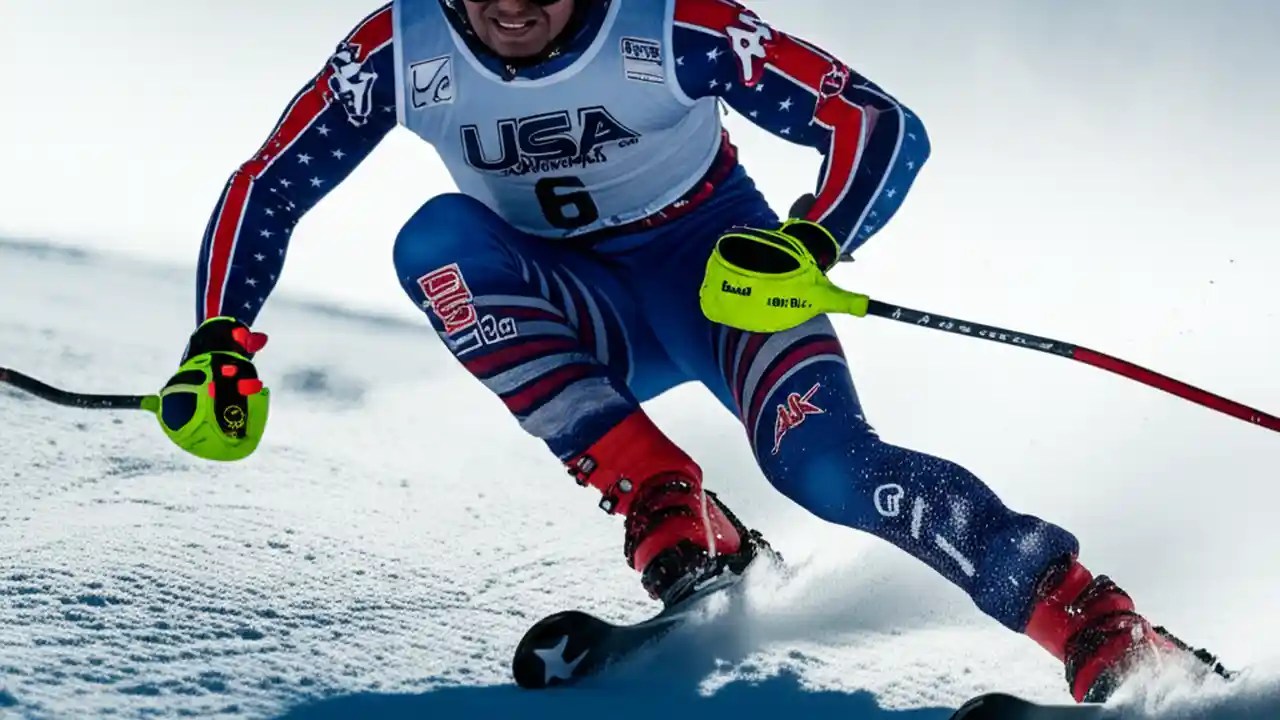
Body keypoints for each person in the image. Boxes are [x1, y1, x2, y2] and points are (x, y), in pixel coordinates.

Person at [159, 0, 1226, 704]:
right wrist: (218, 340)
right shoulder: (398, 48)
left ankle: (1096, 625)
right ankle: (667, 507)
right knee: (437, 243)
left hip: (717, 281)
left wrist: (809, 238)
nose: (514, 7)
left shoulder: (668, 23)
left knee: (826, 472)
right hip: (578, 311)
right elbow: (269, 180)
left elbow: (874, 123)